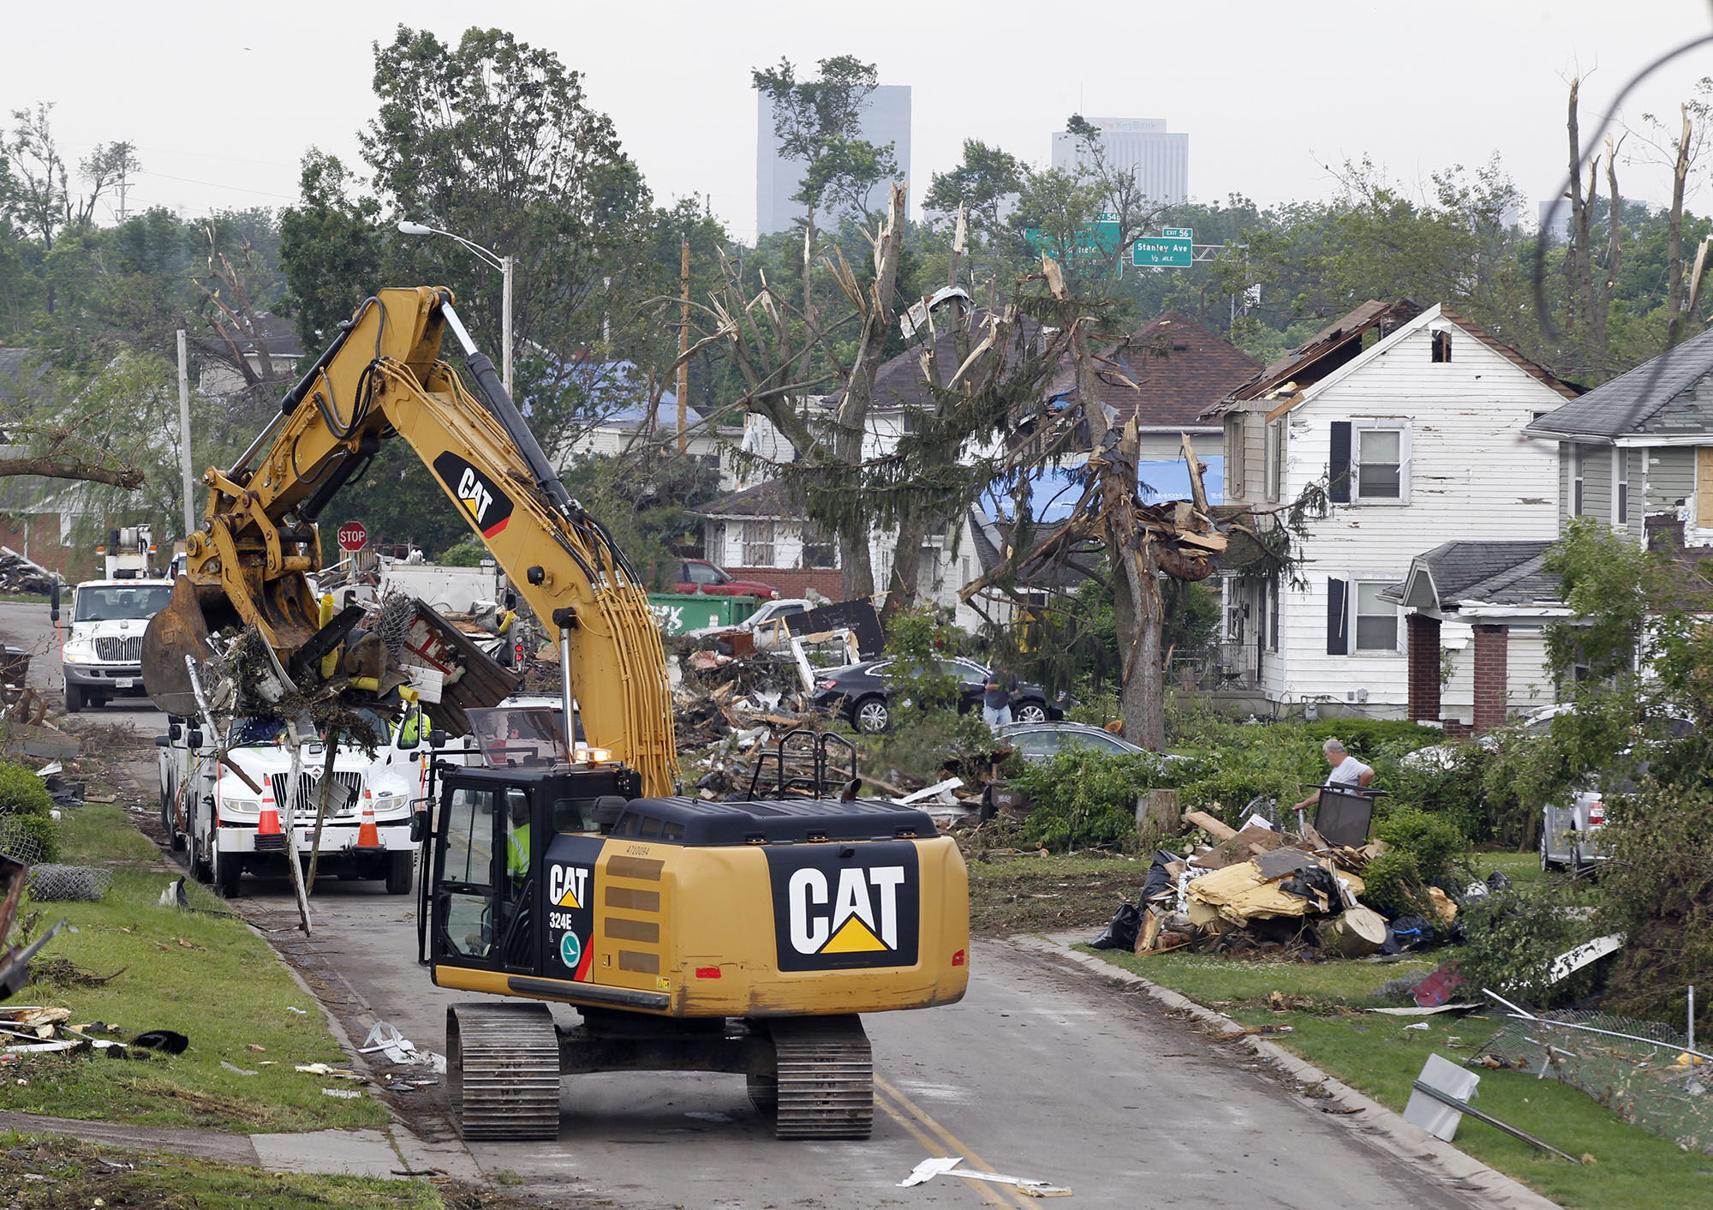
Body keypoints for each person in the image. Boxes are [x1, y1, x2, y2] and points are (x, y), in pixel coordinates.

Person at [1293, 738, 1375, 814]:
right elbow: (1323, 791)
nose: (1326, 758)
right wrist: (1304, 804)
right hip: (1336, 812)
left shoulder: (1349, 762)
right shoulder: (1337, 769)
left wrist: (1360, 788)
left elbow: (1369, 772)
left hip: (1348, 811)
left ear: (1331, 753)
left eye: (1326, 755)